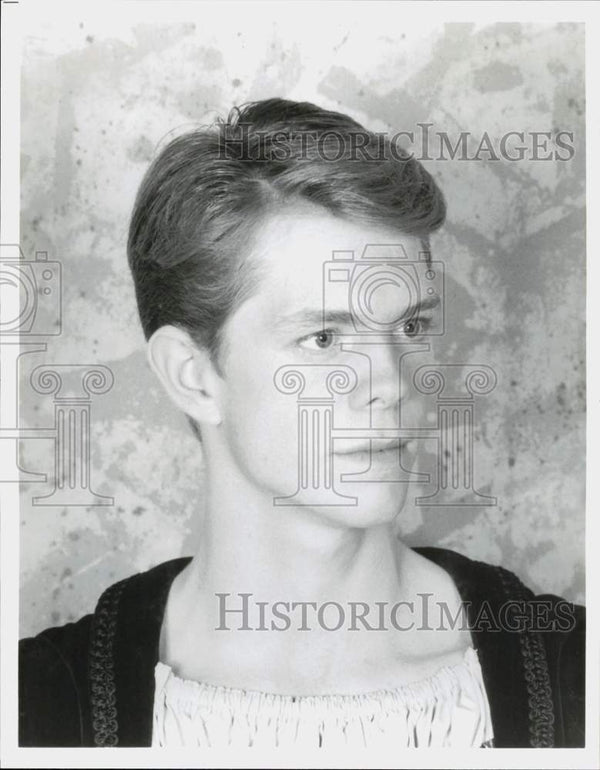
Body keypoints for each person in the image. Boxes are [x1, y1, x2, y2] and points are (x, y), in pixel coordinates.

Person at [19, 98, 584, 749]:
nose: (393, 382)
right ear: (192, 375)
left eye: (411, 326)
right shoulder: (38, 705)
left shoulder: (572, 669)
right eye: (324, 338)